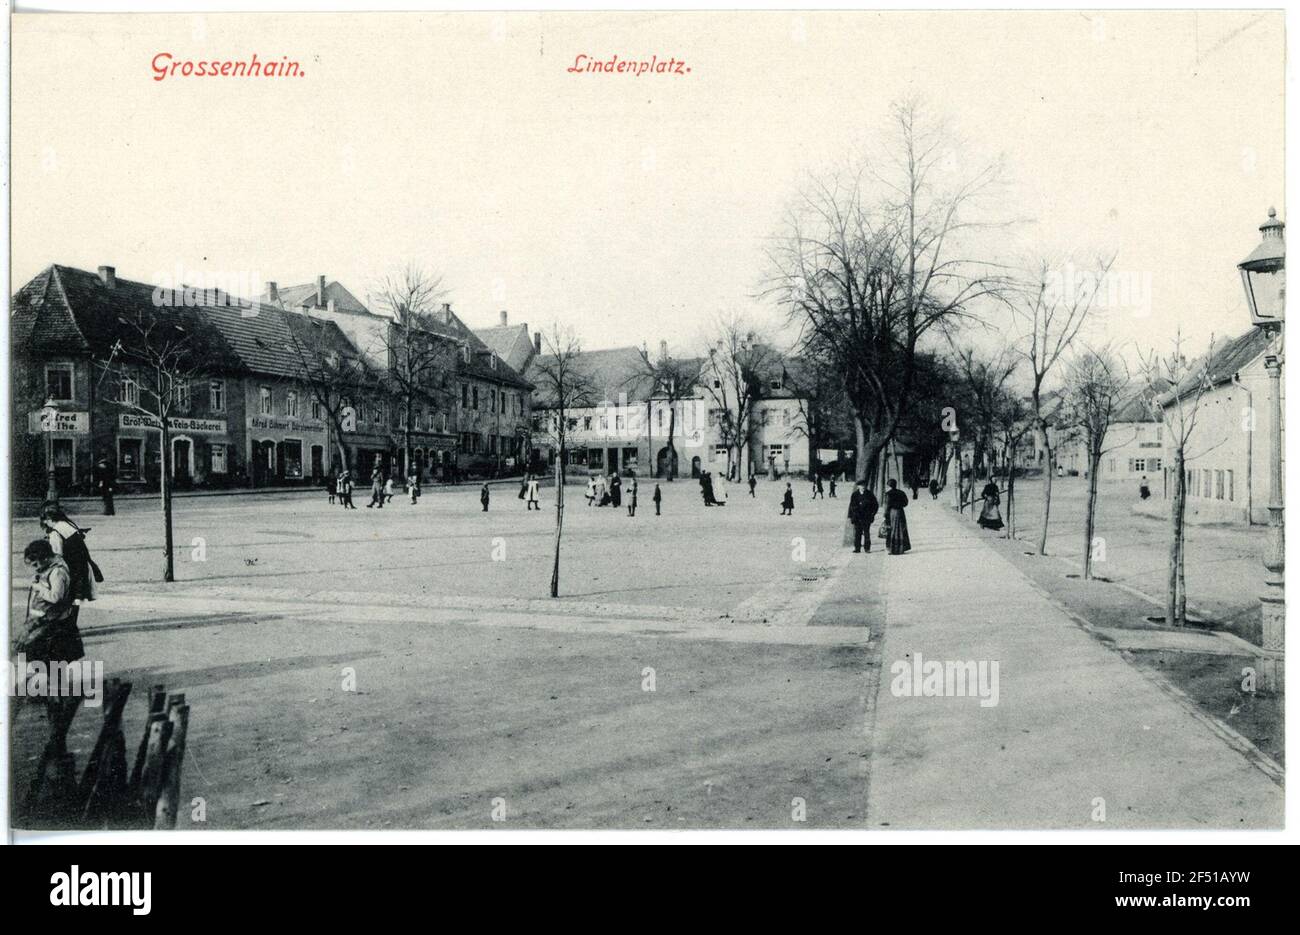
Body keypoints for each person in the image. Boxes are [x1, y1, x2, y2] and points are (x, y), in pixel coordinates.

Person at [15, 539, 86, 759]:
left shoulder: (58, 572)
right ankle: (53, 698)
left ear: (45, 557)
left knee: (52, 664)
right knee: (41, 661)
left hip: (54, 627)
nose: (35, 568)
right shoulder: (50, 569)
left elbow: (56, 597)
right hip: (44, 624)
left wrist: (38, 587)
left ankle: (58, 708)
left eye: (36, 563)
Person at [39, 505, 100, 605]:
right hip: (82, 564)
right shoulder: (68, 524)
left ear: (49, 519)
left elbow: (57, 553)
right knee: (78, 598)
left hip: (71, 567)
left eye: (45, 521)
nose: (45, 523)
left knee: (68, 598)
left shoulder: (55, 532)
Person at [848, 479, 879, 553]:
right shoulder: (854, 495)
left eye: (864, 485)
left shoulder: (869, 494)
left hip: (866, 517)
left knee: (866, 533)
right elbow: (851, 505)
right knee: (857, 533)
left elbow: (875, 505)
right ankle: (857, 548)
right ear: (858, 486)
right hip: (857, 517)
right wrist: (851, 516)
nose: (863, 487)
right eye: (861, 486)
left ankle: (867, 548)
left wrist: (872, 514)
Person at [883, 479, 911, 555]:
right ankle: (901, 548)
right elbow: (906, 503)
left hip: (892, 513)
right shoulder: (901, 492)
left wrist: (885, 515)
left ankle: (892, 549)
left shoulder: (888, 494)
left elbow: (887, 505)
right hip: (901, 512)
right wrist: (900, 505)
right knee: (901, 529)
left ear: (889, 486)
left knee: (892, 530)